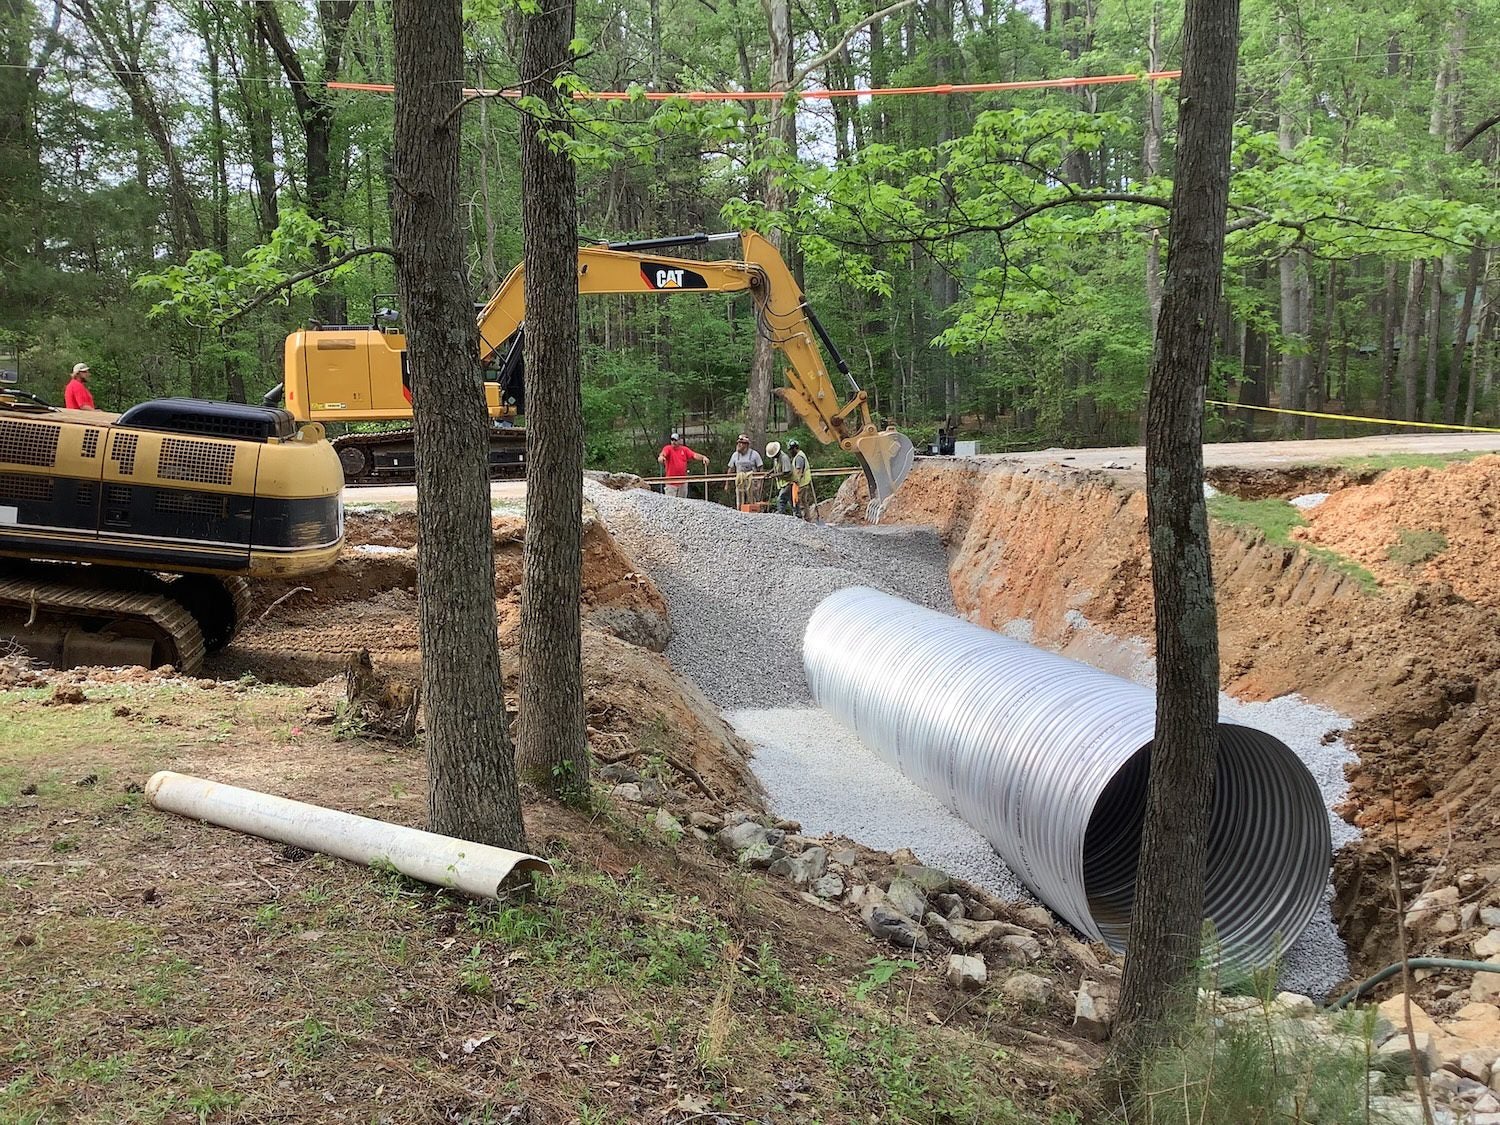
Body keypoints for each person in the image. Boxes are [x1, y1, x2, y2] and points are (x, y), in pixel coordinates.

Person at [657, 431, 707, 498]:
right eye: (672, 440)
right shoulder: (668, 448)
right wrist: (661, 457)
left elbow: (694, 455)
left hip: (683, 482)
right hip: (671, 483)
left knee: (683, 502)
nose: (673, 442)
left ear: (679, 441)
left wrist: (703, 457)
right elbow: (663, 454)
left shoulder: (684, 449)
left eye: (675, 440)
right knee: (670, 503)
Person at [726, 433, 763, 509]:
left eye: (741, 443)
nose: (739, 445)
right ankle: (740, 511)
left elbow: (761, 469)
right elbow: (730, 469)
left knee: (753, 500)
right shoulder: (735, 455)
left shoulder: (754, 454)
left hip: (752, 482)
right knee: (739, 500)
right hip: (740, 481)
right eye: (738, 443)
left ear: (746, 445)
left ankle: (756, 513)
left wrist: (760, 483)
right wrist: (727, 484)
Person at [787, 439, 816, 520]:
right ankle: (806, 518)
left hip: (802, 483)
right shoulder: (800, 455)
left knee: (800, 501)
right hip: (803, 482)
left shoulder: (799, 457)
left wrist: (795, 480)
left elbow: (798, 471)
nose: (790, 452)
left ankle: (804, 519)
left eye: (791, 450)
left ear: (795, 448)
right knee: (803, 501)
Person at [765, 440, 792, 513]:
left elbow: (787, 471)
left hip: (788, 483)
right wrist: (769, 472)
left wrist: (775, 475)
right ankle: (795, 515)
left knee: (781, 499)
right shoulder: (776, 459)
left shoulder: (784, 458)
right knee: (791, 501)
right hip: (782, 484)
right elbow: (776, 468)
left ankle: (780, 515)